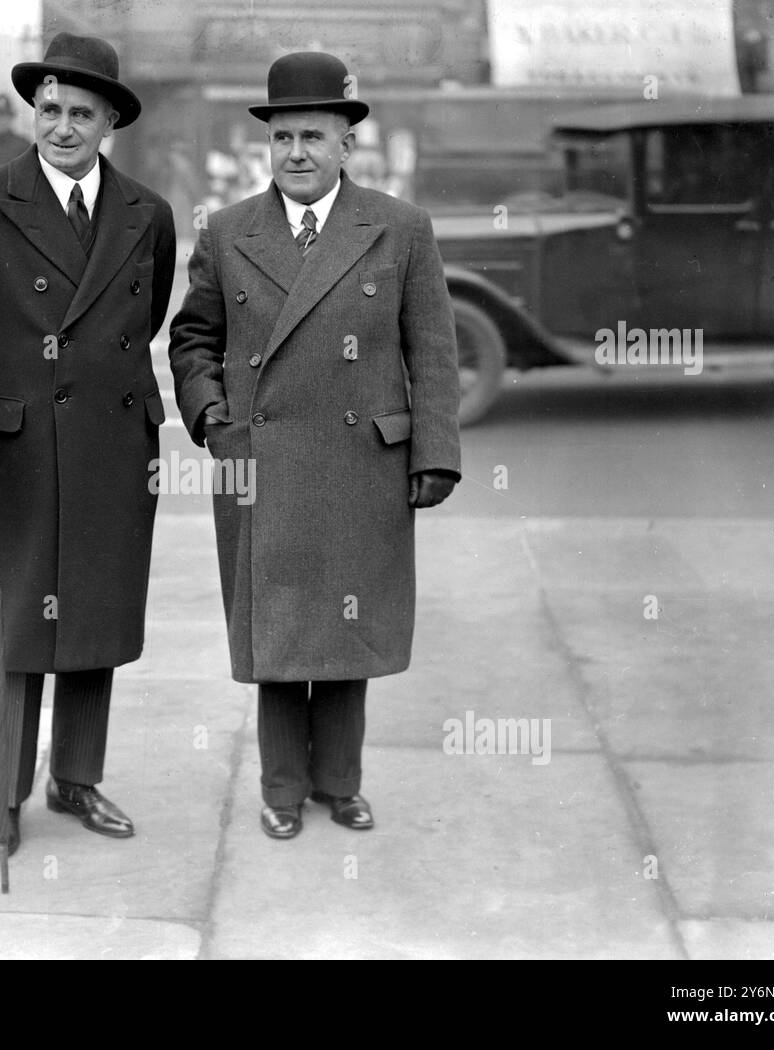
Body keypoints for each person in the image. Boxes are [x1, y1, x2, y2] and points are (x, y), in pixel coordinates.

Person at [168, 51, 462, 840]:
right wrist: (213, 417)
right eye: (283, 136)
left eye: (313, 136)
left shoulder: (399, 228)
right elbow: (192, 337)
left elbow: (432, 350)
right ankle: (282, 790)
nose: (296, 151)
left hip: (362, 459)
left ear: (346, 146)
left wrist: (435, 452)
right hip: (260, 464)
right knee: (277, 635)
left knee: (347, 631)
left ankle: (341, 784)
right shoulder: (228, 232)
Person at [0, 33, 176, 859]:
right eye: (49, 109)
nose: (61, 127)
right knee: (18, 627)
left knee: (95, 618)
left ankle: (77, 779)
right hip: (13, 452)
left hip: (113, 446)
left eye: (80, 114)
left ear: (109, 123)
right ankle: (4, 795)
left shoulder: (148, 215)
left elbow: (145, 319)